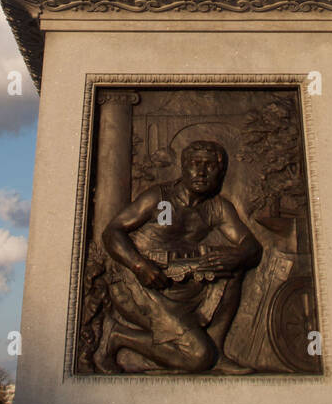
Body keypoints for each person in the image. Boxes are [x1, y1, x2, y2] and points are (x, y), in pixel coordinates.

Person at [95, 140, 260, 373]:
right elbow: (112, 231)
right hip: (140, 283)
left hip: (182, 281)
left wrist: (238, 255)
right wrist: (139, 265)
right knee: (198, 358)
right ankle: (118, 336)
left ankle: (217, 351)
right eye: (194, 164)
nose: (201, 172)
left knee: (233, 266)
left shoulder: (218, 207)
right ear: (183, 167)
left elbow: (251, 246)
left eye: (210, 166)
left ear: (221, 172)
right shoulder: (158, 197)